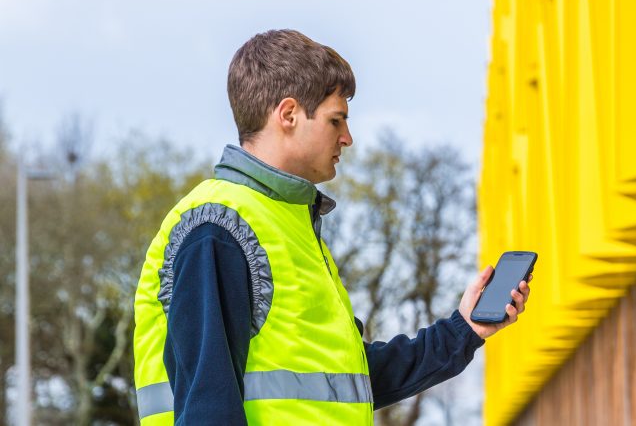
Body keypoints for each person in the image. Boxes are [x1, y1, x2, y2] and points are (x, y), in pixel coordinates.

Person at [132, 29, 531, 425]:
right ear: (288, 115)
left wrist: (464, 329)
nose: (347, 138)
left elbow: (350, 381)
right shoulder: (217, 228)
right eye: (335, 120)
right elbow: (208, 409)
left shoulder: (285, 223)